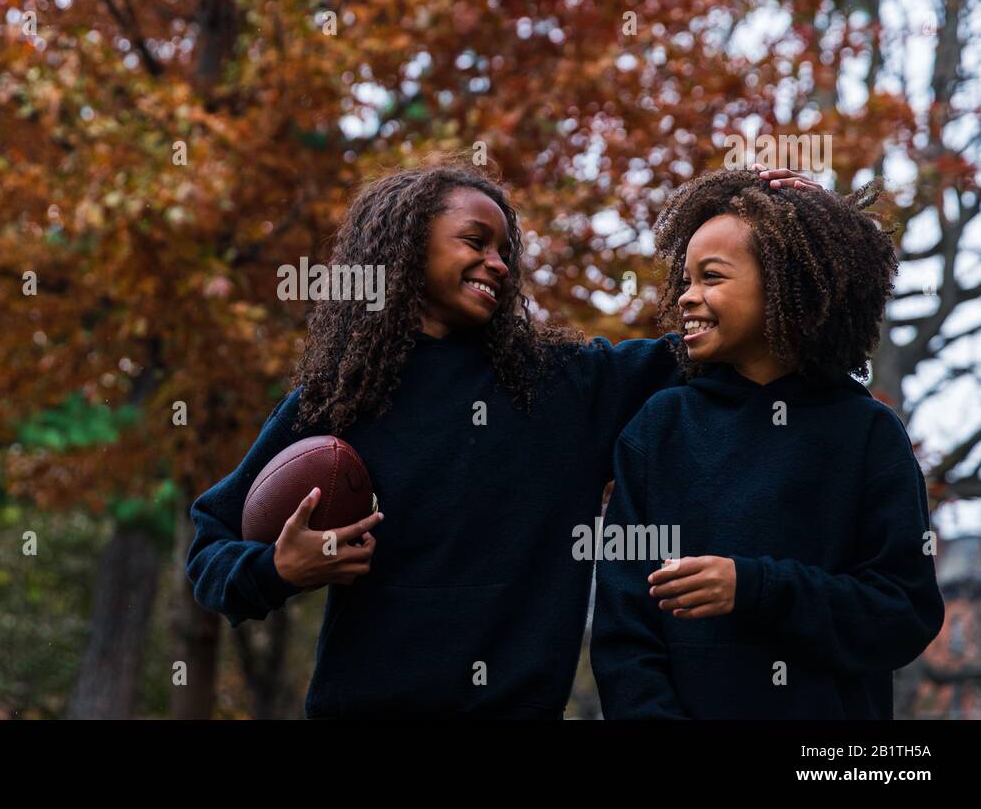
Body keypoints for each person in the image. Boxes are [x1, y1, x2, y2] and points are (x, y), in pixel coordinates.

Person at [187, 154, 813, 718]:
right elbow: (210, 550)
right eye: (475, 241)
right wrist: (278, 566)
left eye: (505, 250)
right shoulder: (340, 400)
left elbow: (718, 342)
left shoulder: (565, 389)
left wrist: (793, 231)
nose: (497, 262)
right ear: (406, 246)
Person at [590, 170, 945, 718]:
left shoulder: (868, 435)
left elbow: (902, 614)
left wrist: (755, 588)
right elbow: (624, 629)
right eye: (684, 280)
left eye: (711, 277)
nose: (687, 297)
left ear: (785, 282)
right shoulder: (660, 427)